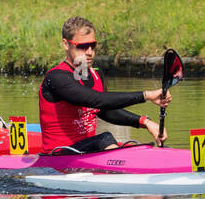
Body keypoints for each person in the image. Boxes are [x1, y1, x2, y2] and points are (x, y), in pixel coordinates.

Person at [37, 17, 171, 153]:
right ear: (66, 44)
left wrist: (144, 122)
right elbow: (97, 100)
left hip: (86, 151)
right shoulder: (56, 77)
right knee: (105, 138)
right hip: (59, 155)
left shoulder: (96, 74)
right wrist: (146, 95)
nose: (89, 52)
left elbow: (104, 109)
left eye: (93, 46)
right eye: (82, 46)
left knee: (135, 146)